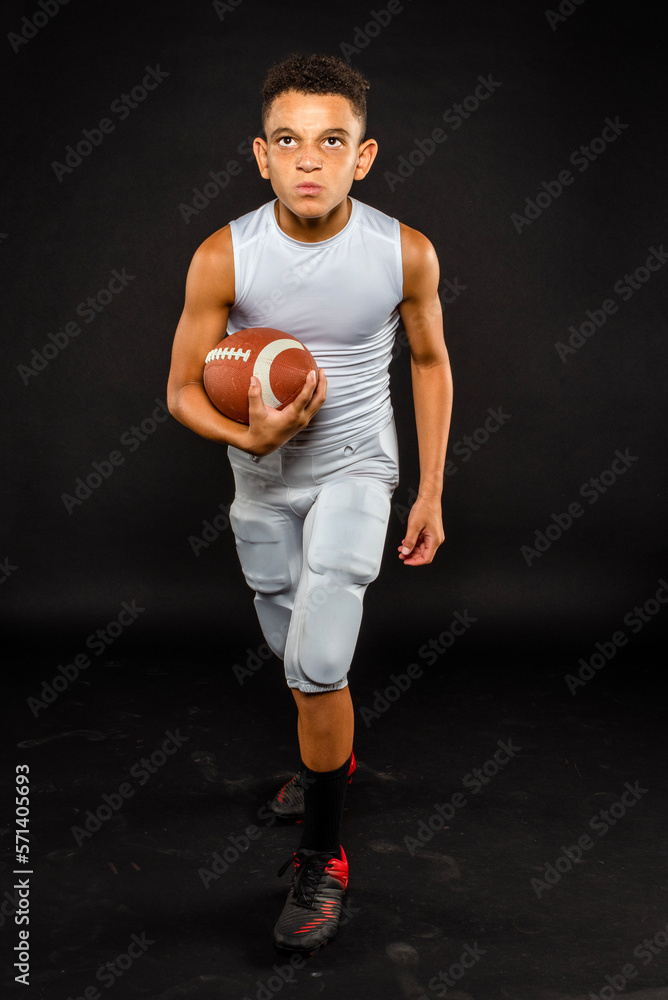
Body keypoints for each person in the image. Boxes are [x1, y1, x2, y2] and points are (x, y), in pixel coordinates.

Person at [167, 53, 453, 953]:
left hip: (357, 471)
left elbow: (430, 363)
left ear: (362, 158)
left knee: (322, 659)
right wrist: (244, 439)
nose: (309, 162)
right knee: (293, 652)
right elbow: (179, 389)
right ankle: (330, 764)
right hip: (262, 480)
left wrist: (432, 490)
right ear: (261, 154)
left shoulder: (402, 251)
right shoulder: (225, 253)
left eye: (332, 142)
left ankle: (323, 857)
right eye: (289, 141)